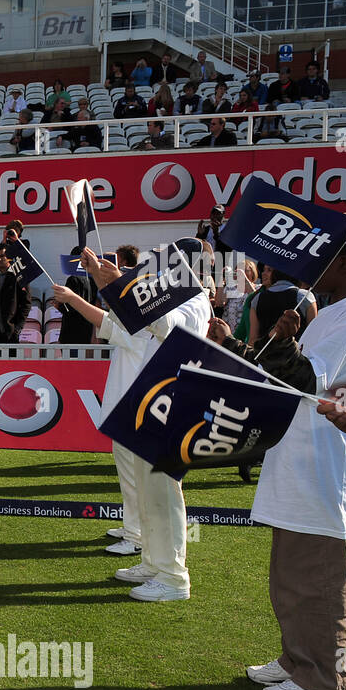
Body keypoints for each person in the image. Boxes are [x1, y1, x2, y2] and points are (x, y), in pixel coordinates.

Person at [208, 215, 346, 690]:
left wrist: (287, 342)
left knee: (317, 568)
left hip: (324, 454)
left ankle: (327, 682)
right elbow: (285, 376)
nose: (315, 260)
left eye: (329, 254)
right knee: (291, 567)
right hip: (300, 448)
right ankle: (298, 660)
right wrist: (240, 344)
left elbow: (311, 380)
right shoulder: (334, 309)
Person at [81, 245, 212, 602]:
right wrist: (105, 278)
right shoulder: (170, 297)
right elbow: (128, 318)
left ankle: (173, 576)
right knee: (149, 489)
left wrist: (122, 281)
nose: (151, 270)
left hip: (173, 405)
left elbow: (165, 327)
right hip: (151, 403)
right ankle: (154, 563)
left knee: (164, 494)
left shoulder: (195, 301)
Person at [49, 243, 148, 557]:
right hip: (127, 407)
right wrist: (95, 273)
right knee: (128, 473)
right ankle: (133, 526)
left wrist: (73, 298)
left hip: (136, 408)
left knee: (136, 476)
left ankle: (137, 536)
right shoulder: (138, 321)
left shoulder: (142, 327)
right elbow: (112, 313)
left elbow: (105, 321)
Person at [249, 268, 316, 346]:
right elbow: (313, 336)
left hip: (262, 355)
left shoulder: (257, 298)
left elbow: (252, 340)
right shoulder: (305, 297)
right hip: (292, 355)